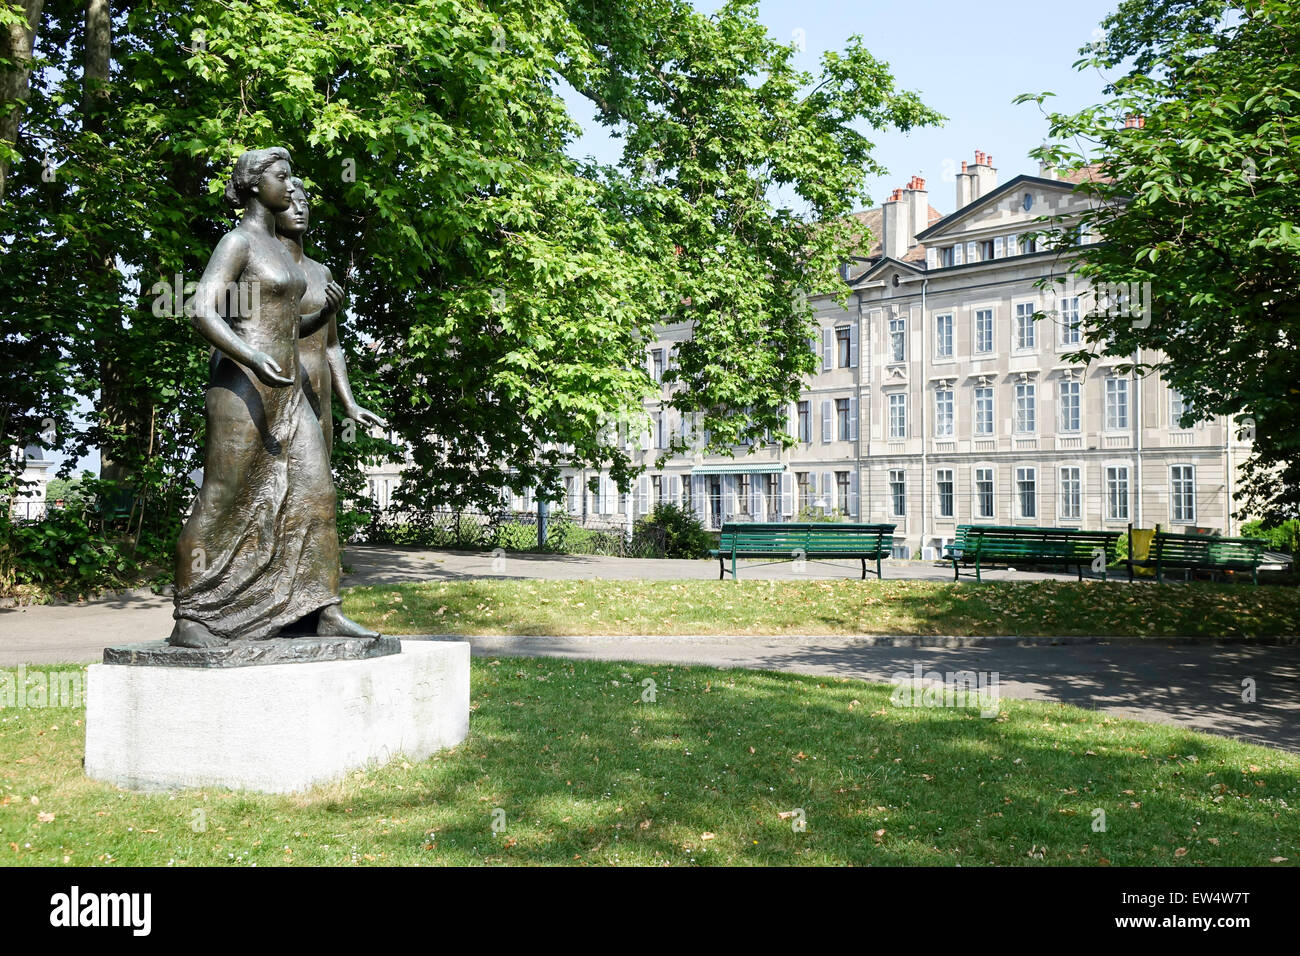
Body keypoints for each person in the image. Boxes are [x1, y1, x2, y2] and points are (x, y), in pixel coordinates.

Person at [170, 146, 377, 646]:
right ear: (254, 184)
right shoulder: (238, 241)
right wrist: (247, 355)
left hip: (287, 389)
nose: (290, 186)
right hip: (242, 386)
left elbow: (295, 328)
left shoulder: (282, 250)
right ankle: (191, 617)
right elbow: (201, 309)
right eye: (282, 177)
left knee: (315, 492)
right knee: (222, 496)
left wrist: (323, 316)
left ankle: (319, 607)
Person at [276, 177, 385, 455]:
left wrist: (349, 403)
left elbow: (332, 344)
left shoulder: (321, 273)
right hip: (282, 388)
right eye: (290, 205)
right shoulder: (269, 271)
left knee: (319, 490)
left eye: (304, 204)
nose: (299, 210)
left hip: (320, 392)